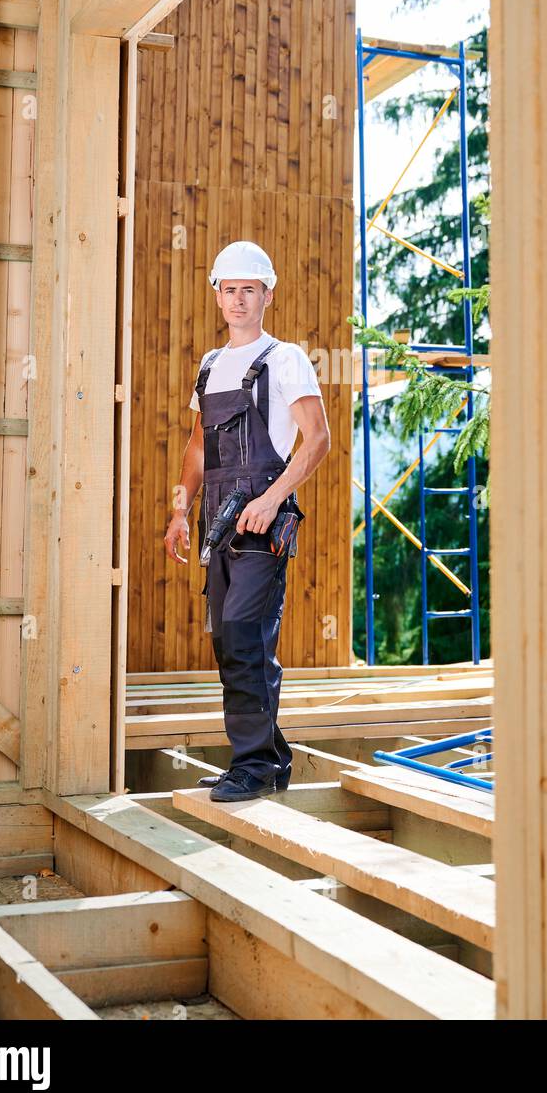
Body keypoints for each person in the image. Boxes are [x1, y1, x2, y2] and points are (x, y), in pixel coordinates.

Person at [164, 241, 331, 800]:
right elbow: (196, 447)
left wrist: (272, 498)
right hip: (217, 522)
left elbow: (317, 440)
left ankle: (255, 765)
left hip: (263, 522)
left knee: (244, 635)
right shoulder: (211, 365)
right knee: (227, 638)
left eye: (249, 290)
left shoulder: (286, 359)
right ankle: (264, 759)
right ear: (217, 295)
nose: (238, 299)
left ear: (267, 295)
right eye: (229, 289)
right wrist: (181, 508)